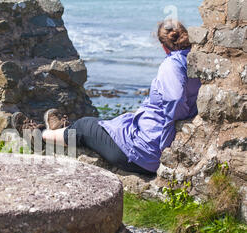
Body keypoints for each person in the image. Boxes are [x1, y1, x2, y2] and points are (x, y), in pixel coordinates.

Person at [11, 20, 201, 176]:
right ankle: (62, 129)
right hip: (146, 143)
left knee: (86, 126)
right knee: (105, 124)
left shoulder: (171, 65)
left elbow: (175, 102)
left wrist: (175, 117)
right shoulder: (195, 61)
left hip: (140, 152)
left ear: (164, 46)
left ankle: (40, 135)